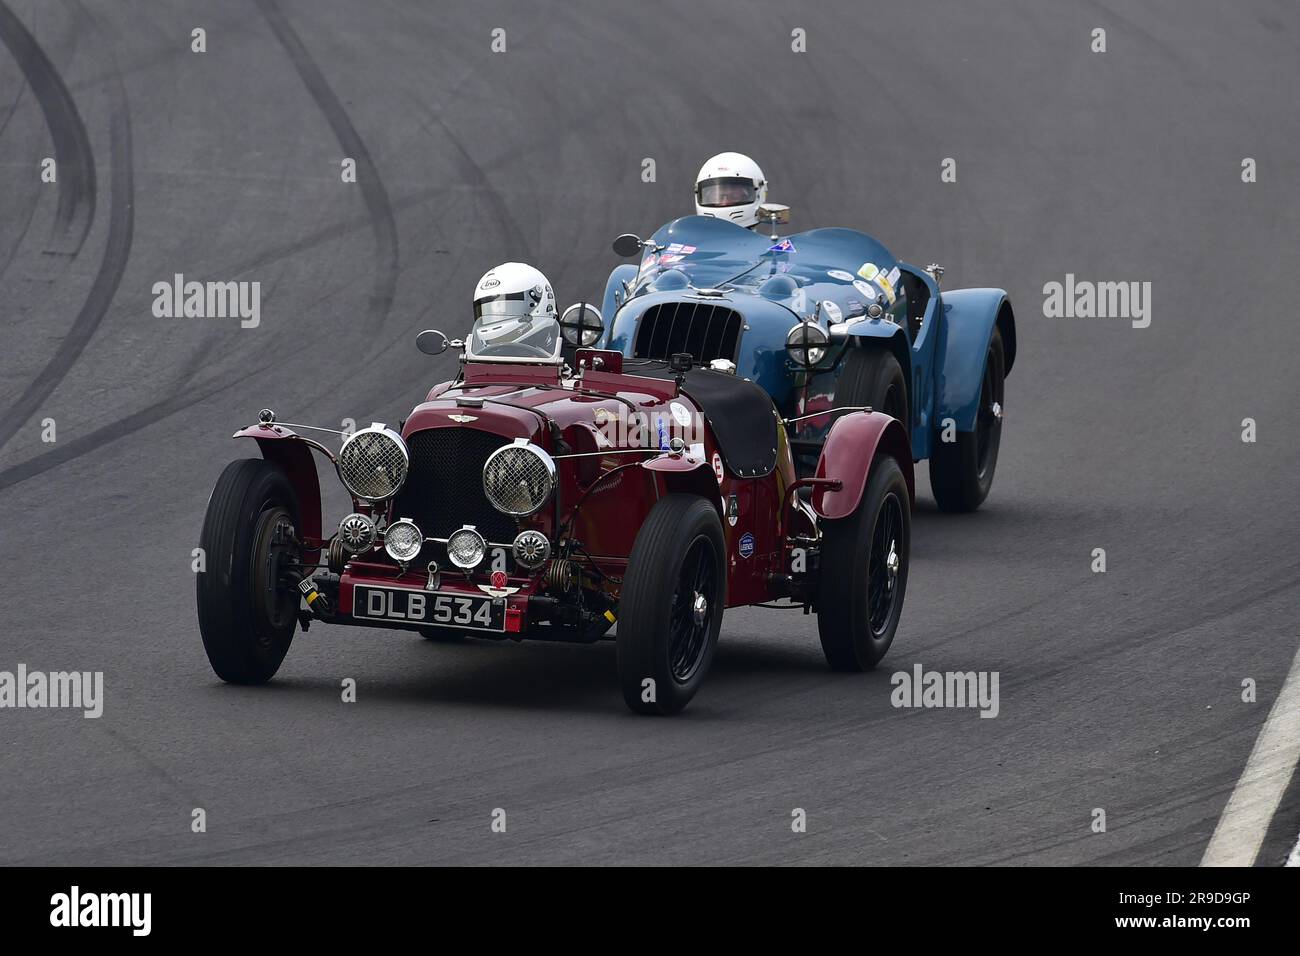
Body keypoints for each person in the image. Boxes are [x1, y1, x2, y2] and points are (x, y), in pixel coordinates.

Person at [467, 262, 560, 361]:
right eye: (488, 310)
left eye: (509, 308)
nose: (497, 316)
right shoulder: (477, 365)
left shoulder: (568, 361)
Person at [693, 152, 768, 229]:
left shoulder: (771, 241)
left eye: (734, 196)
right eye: (718, 197)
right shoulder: (686, 240)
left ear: (759, 193)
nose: (725, 202)